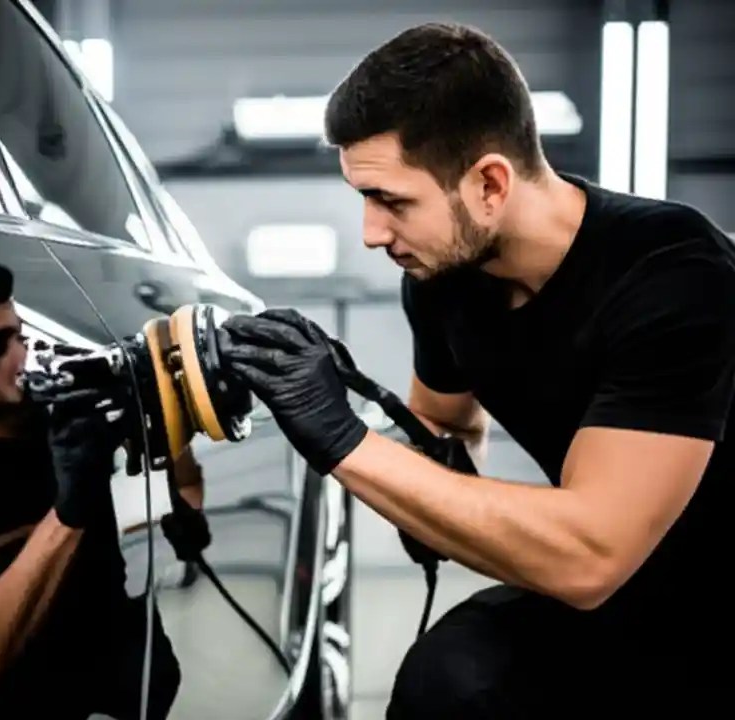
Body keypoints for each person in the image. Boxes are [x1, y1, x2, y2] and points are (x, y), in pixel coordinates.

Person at [218, 22, 735, 718]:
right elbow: (443, 420)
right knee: (453, 677)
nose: (371, 233)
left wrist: (345, 442)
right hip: (629, 595)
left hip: (703, 605)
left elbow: (591, 554)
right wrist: (427, 471)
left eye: (392, 201)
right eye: (364, 199)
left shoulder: (672, 273)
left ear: (489, 182)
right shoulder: (443, 281)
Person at [0, 253, 191, 719]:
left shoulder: (67, 400)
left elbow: (172, 445)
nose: (23, 360)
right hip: (44, 691)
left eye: (19, 336)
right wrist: (69, 511)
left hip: (130, 659)